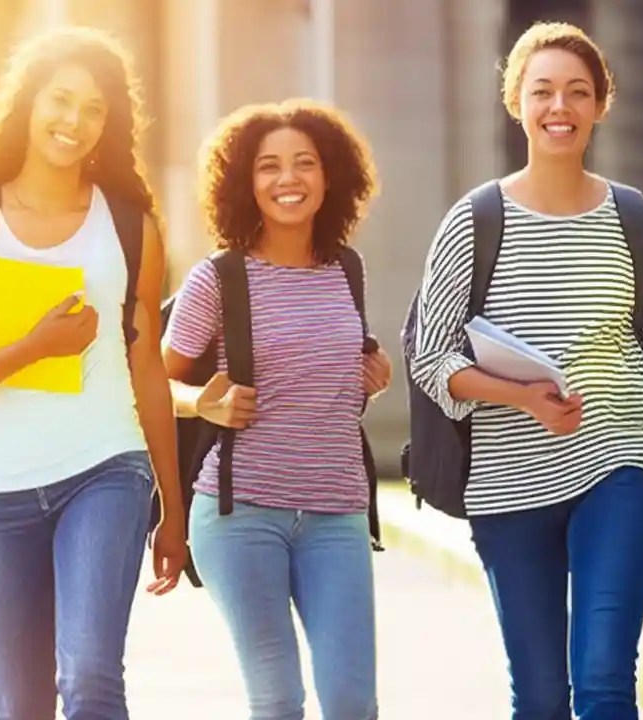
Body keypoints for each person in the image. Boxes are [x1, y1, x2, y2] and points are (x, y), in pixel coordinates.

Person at [0, 26, 187, 720]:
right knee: (22, 705)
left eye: (93, 109)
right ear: (27, 104)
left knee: (93, 677)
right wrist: (32, 348)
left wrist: (173, 508)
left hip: (105, 468)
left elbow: (146, 369)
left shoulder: (131, 229)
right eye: (60, 100)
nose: (73, 121)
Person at [410, 22, 643, 720]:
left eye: (578, 92)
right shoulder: (475, 219)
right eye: (542, 91)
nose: (560, 107)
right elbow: (432, 358)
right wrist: (522, 397)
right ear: (515, 102)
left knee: (606, 674)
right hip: (510, 482)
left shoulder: (634, 218)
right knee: (543, 698)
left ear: (601, 105)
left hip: (622, 459)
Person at [163, 99, 386, 720]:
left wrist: (370, 377)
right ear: (244, 181)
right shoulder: (219, 278)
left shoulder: (348, 269)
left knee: (351, 703)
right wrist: (204, 403)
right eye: (268, 166)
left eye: (304, 163)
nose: (288, 179)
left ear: (330, 175)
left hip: (337, 513)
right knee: (278, 699)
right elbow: (152, 385)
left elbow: (323, 379)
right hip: (241, 515)